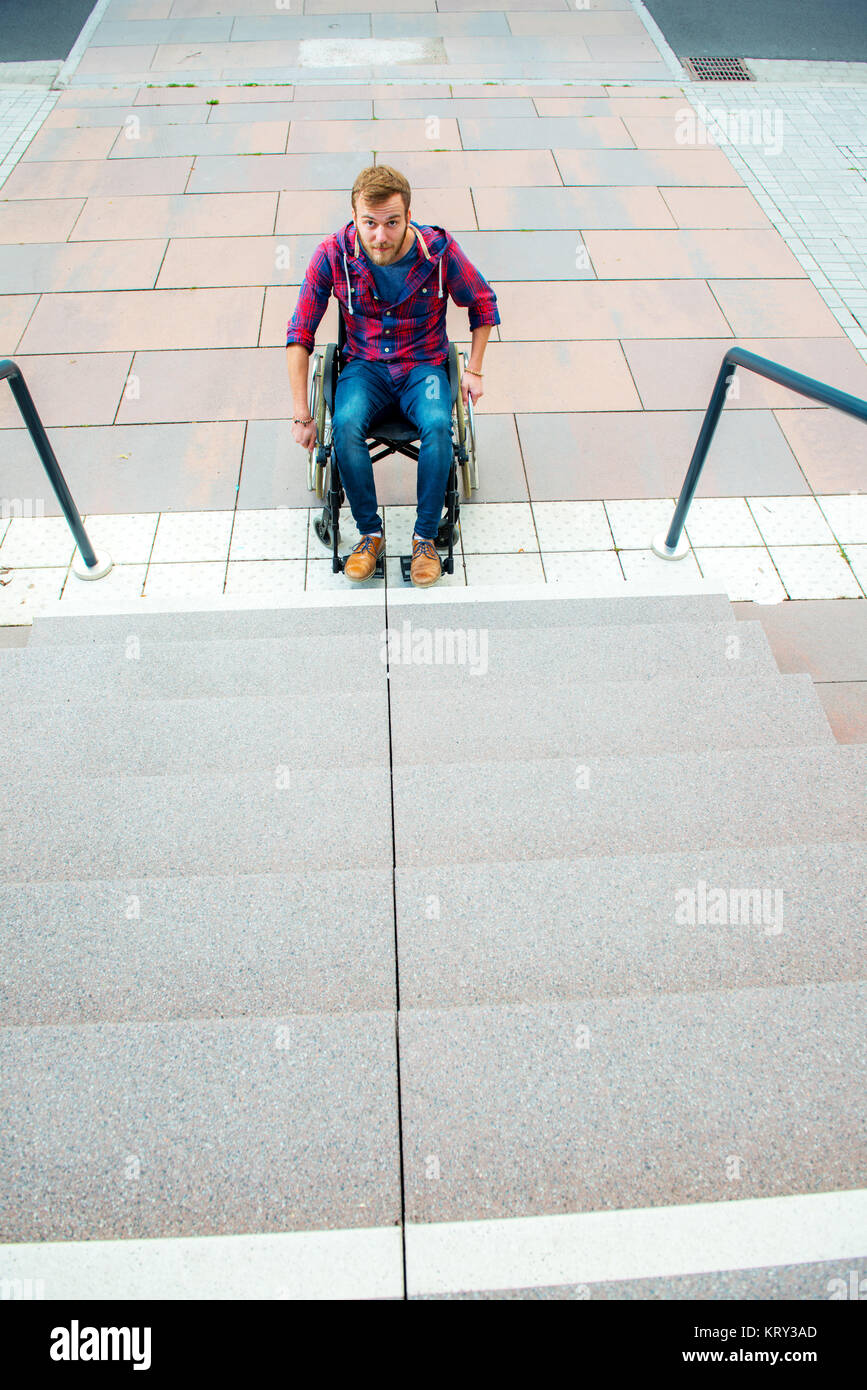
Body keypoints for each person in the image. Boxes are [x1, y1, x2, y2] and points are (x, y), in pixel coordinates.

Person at [286, 164, 500, 586]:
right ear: (354, 218)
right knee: (345, 424)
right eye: (369, 223)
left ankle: (424, 539)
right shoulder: (332, 254)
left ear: (407, 216)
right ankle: (369, 534)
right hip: (364, 367)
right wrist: (302, 413)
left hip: (424, 365)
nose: (380, 236)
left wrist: (474, 368)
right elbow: (300, 333)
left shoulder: (438, 252)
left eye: (391, 223)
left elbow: (482, 303)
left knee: (439, 425)